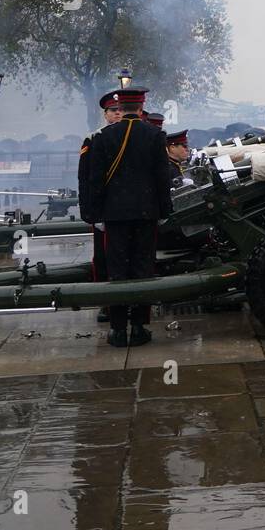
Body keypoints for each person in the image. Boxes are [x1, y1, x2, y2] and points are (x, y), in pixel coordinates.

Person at [85, 87, 173, 348]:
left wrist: (95, 214)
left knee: (118, 270)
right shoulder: (155, 135)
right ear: (141, 106)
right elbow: (162, 178)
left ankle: (118, 329)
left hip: (114, 214)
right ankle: (138, 327)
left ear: (120, 109)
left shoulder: (103, 137)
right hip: (146, 212)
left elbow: (95, 180)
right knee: (143, 268)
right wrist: (164, 211)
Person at [78, 91, 125, 323]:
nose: (117, 114)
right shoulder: (94, 139)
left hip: (126, 205)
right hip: (105, 208)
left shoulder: (129, 136)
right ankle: (107, 301)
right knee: (103, 257)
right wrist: (91, 212)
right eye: (113, 111)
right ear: (105, 114)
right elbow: (85, 177)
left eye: (120, 110)